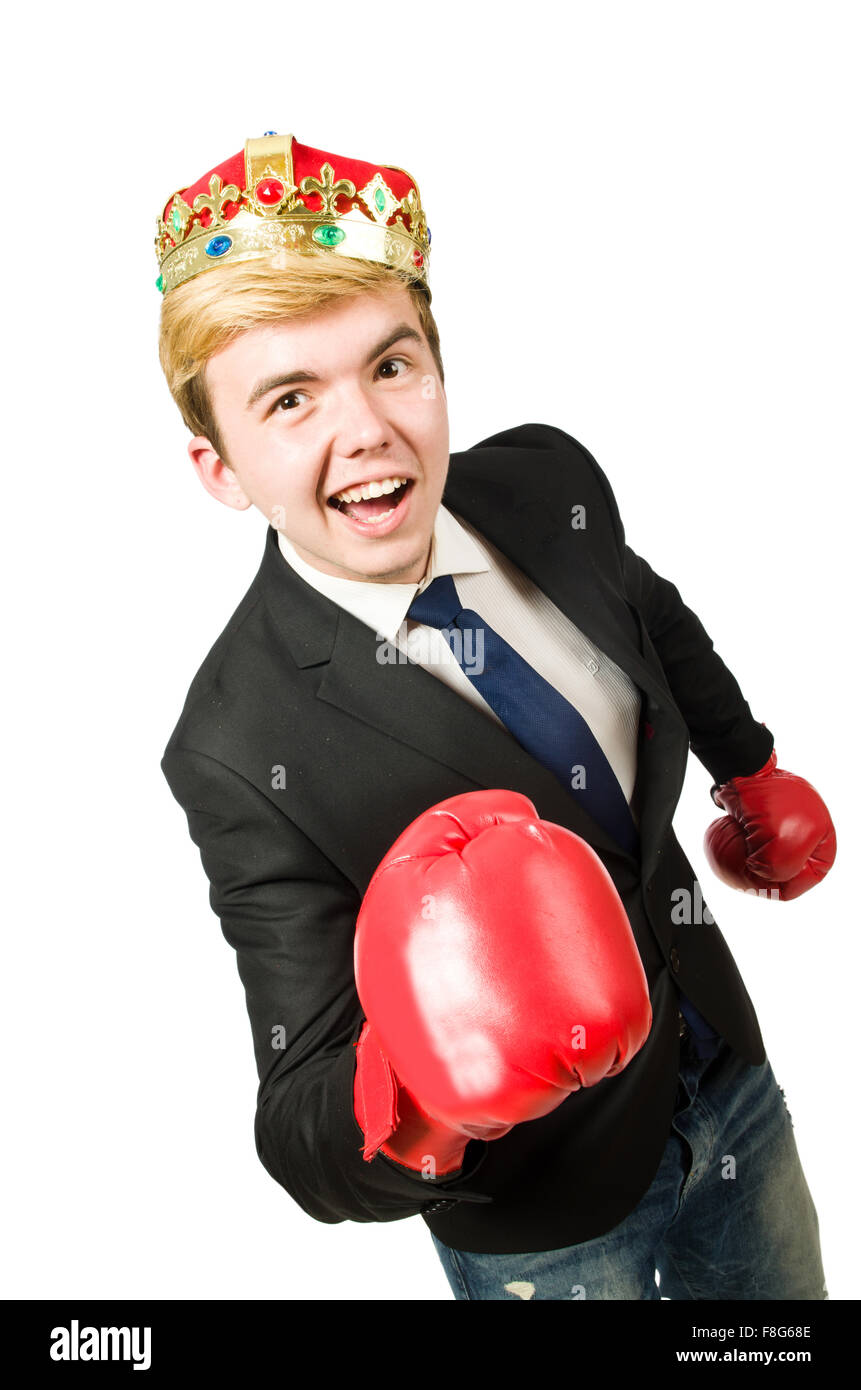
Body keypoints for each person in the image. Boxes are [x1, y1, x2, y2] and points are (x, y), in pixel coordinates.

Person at [156, 130, 836, 1300]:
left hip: (729, 1079)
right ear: (221, 469)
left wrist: (750, 764)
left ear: (436, 364)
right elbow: (297, 1112)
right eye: (289, 397)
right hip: (552, 1218)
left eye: (391, 365)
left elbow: (647, 613)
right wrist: (416, 1092)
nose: (365, 428)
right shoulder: (236, 741)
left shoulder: (544, 482)